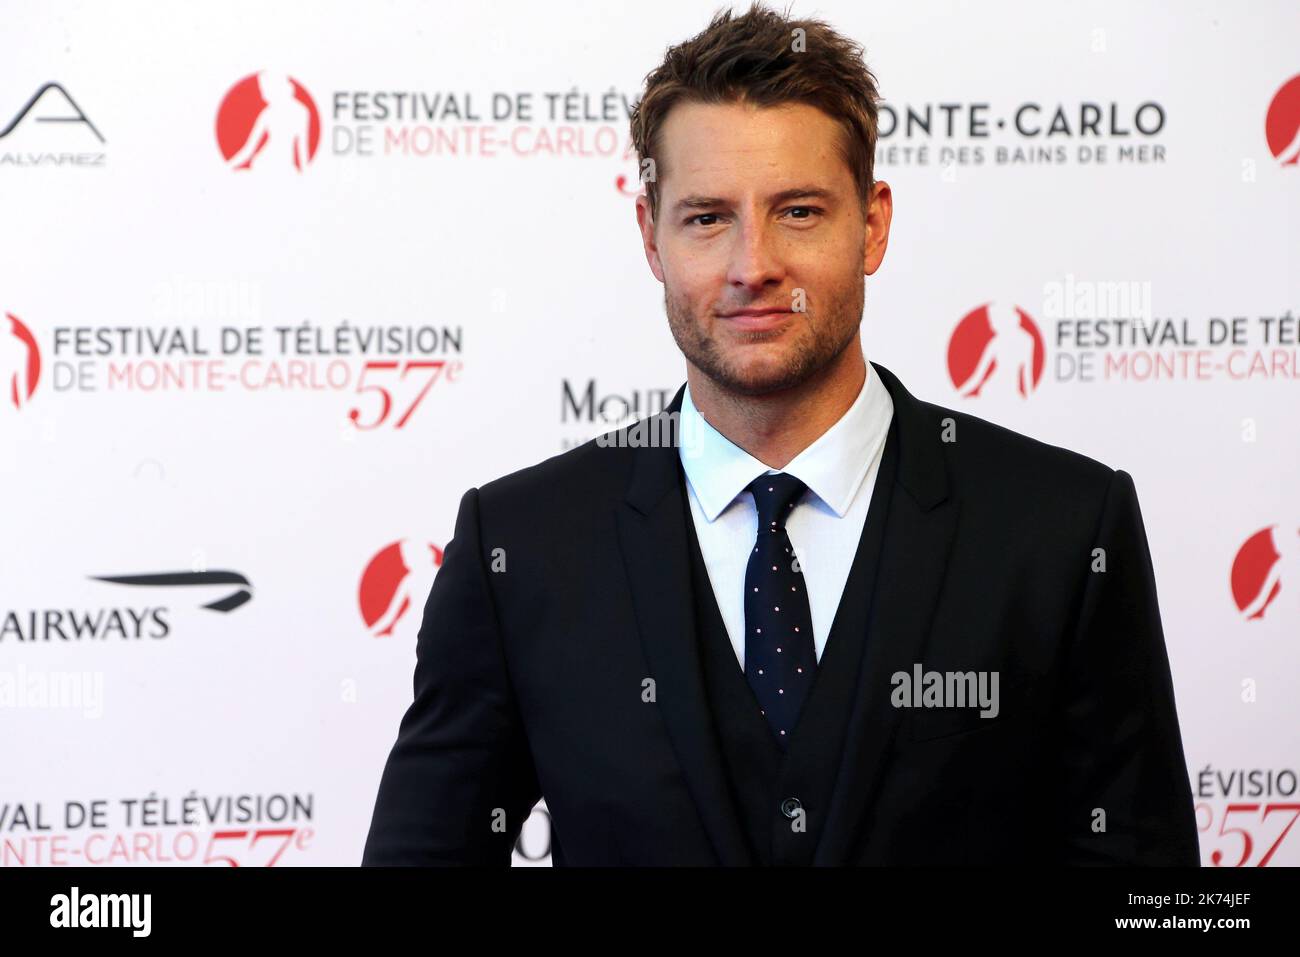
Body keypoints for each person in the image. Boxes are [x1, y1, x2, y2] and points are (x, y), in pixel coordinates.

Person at [362, 2, 1200, 866]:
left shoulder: (1061, 528)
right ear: (651, 237)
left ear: (872, 223)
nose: (752, 264)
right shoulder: (523, 547)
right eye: (706, 217)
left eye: (798, 211)